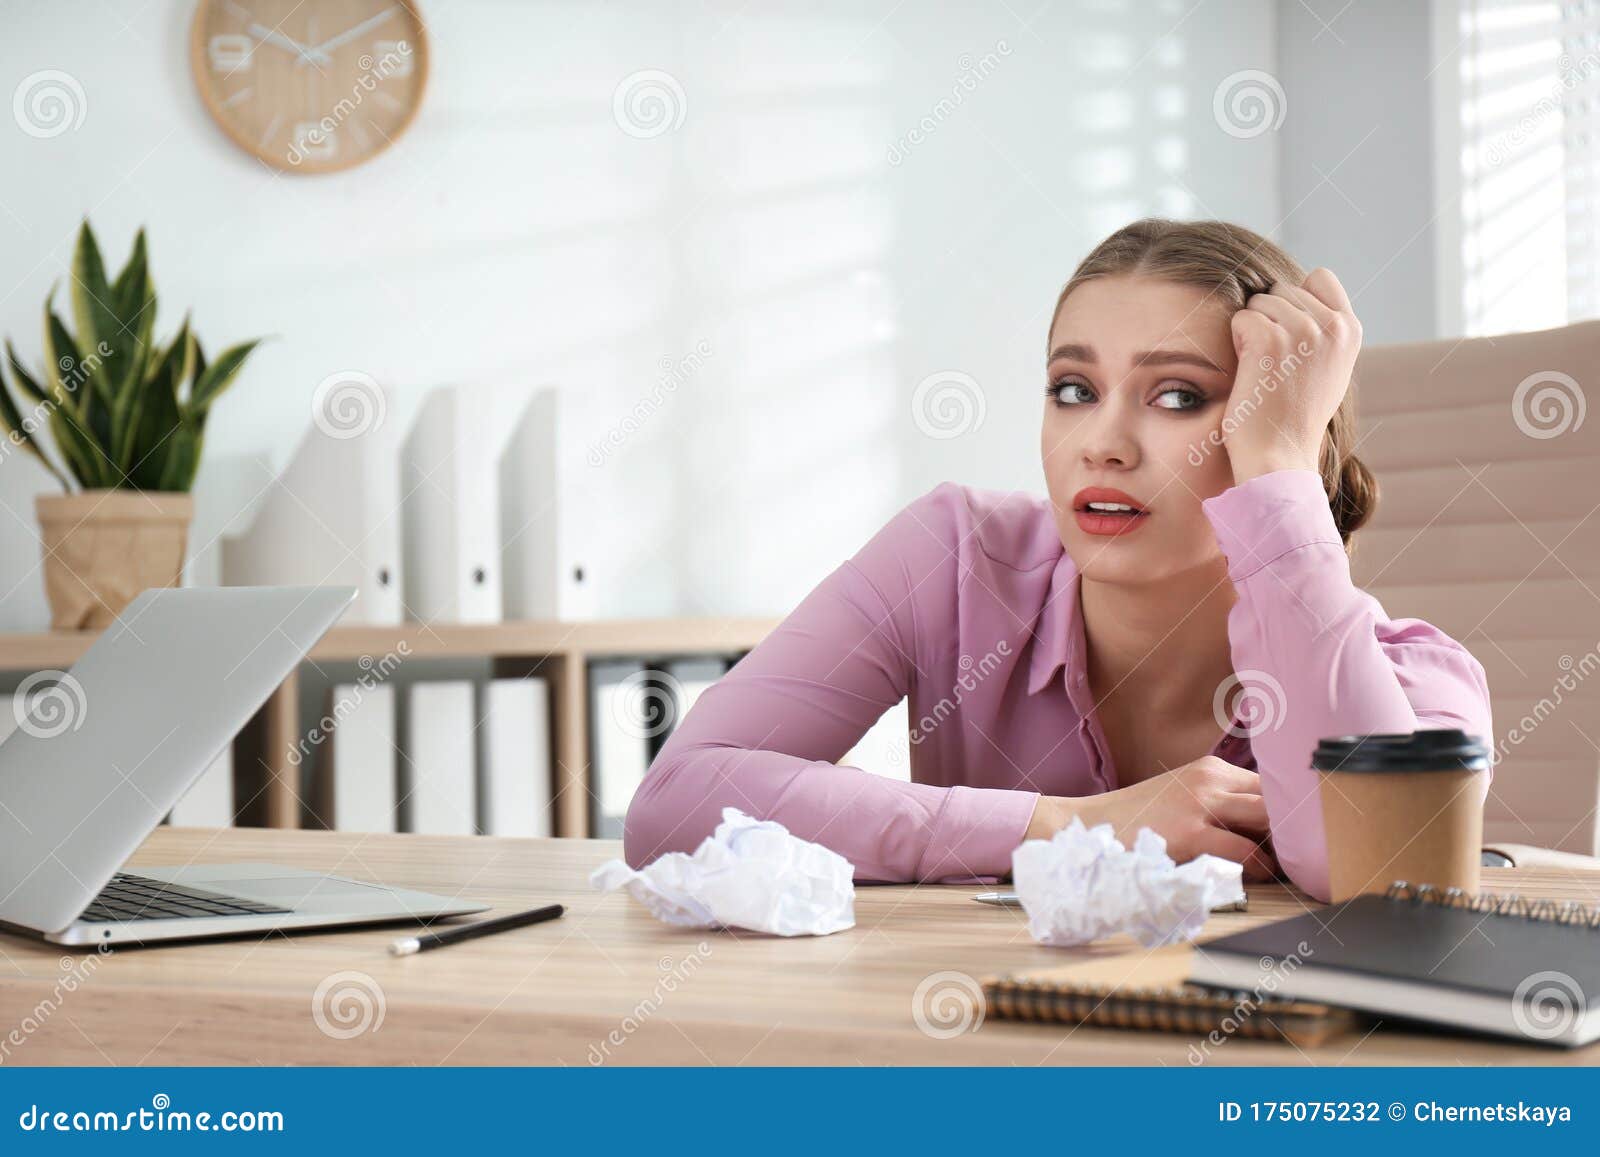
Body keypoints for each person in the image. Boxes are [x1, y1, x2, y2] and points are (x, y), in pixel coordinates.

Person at [622, 217, 1493, 904]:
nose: (1102, 444)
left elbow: (1379, 886)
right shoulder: (956, 558)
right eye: (1073, 389)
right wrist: (1070, 826)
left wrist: (1278, 477)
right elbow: (679, 802)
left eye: (1179, 396)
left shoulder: (1421, 683)